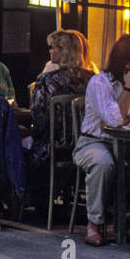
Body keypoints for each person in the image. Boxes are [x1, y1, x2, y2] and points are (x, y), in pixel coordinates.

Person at [72, 34, 130, 247]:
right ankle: (94, 224)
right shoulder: (100, 83)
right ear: (127, 63)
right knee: (104, 163)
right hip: (94, 142)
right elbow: (114, 120)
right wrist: (129, 89)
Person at [24, 30, 94, 207]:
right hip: (84, 144)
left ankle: (32, 201)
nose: (50, 52)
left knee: (22, 144)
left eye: (53, 48)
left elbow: (38, 118)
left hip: (54, 147)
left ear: (63, 52)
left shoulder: (47, 80)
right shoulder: (92, 79)